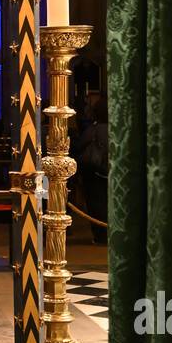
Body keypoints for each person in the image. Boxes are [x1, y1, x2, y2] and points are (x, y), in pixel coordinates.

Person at [75, 96, 109, 244]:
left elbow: (79, 148)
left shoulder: (93, 130)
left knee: (97, 206)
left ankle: (101, 236)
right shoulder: (120, 130)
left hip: (94, 174)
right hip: (115, 174)